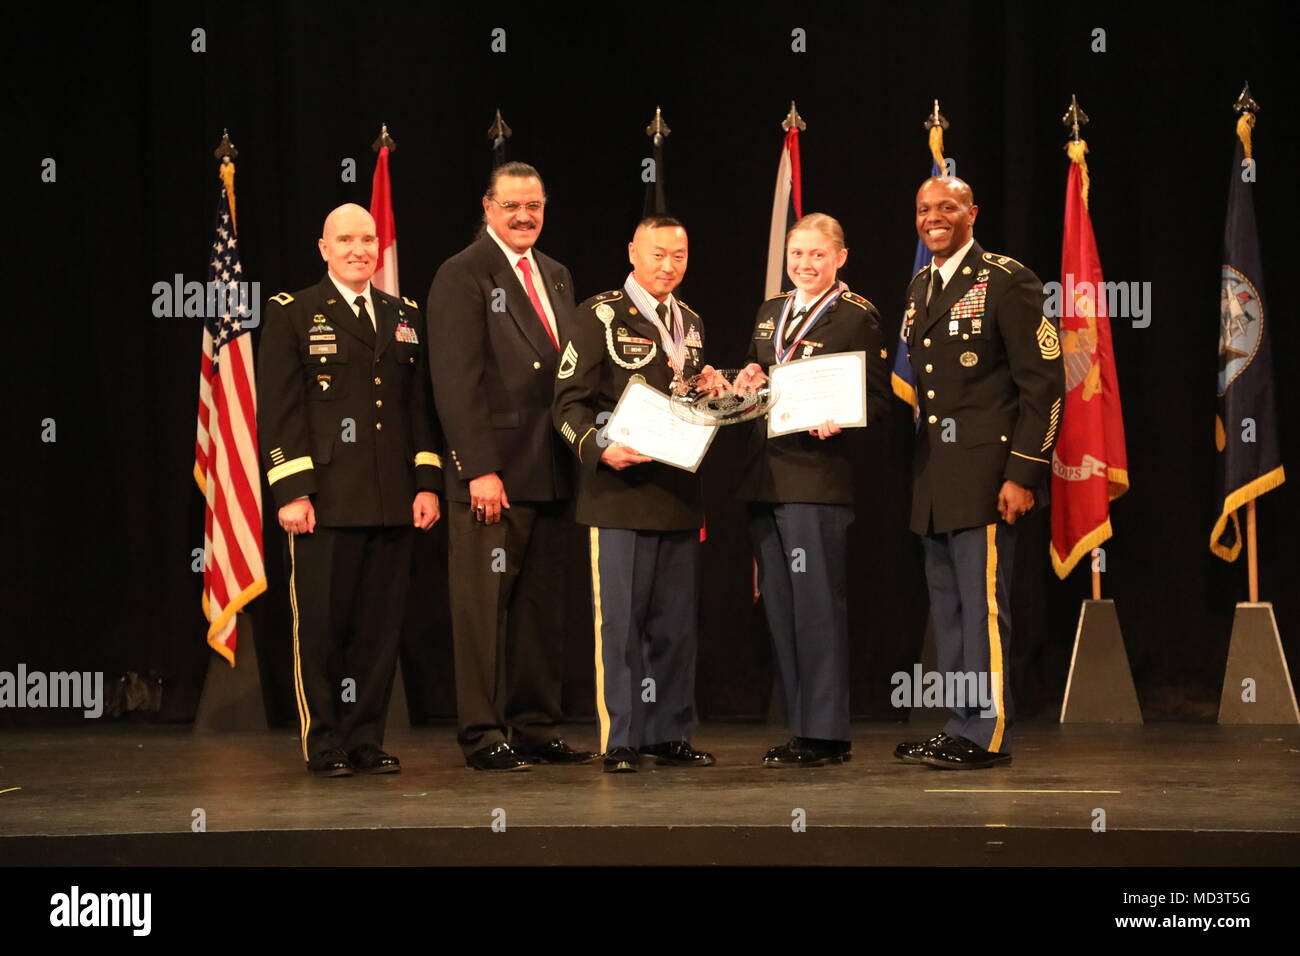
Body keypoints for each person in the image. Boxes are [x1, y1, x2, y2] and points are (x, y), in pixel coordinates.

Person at [257, 203, 443, 777]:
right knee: (320, 626)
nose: (359, 249)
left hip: (392, 499)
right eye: (346, 240)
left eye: (368, 239)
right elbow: (281, 411)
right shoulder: (293, 312)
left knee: (378, 631)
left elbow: (418, 409)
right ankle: (326, 741)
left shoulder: (402, 313)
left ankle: (366, 736)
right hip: (325, 501)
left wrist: (427, 481)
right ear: (324, 248)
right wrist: (292, 490)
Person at [426, 162, 595, 772]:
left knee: (541, 612)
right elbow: (455, 382)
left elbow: (569, 377)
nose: (525, 216)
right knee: (482, 610)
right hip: (493, 475)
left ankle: (535, 725)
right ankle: (481, 732)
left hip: (551, 470)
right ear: (487, 206)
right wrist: (478, 470)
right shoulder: (461, 274)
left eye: (535, 205)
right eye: (512, 205)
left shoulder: (555, 275)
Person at [893, 176, 1064, 769]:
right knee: (951, 612)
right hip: (936, 477)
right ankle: (960, 724)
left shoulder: (1007, 280)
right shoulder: (920, 285)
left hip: (990, 475)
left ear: (972, 212)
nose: (932, 217)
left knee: (984, 608)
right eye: (923, 209)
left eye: (946, 207)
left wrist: (1024, 473)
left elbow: (1044, 386)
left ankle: (988, 733)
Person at [552, 216, 717, 773]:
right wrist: (600, 445)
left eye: (679, 255)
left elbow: (689, 402)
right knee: (620, 625)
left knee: (674, 627)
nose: (668, 266)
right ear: (632, 252)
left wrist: (719, 391)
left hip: (677, 490)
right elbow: (567, 404)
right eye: (657, 255)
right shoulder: (598, 315)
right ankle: (620, 737)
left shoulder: (690, 320)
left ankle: (668, 732)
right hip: (618, 493)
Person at [732, 213, 890, 768]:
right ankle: (802, 727)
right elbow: (762, 385)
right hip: (765, 475)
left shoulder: (857, 317)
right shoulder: (770, 312)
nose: (805, 264)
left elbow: (880, 399)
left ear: (840, 258)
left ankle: (827, 733)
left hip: (817, 480)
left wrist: (841, 418)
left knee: (818, 606)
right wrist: (747, 380)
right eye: (797, 254)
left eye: (818, 255)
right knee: (781, 607)